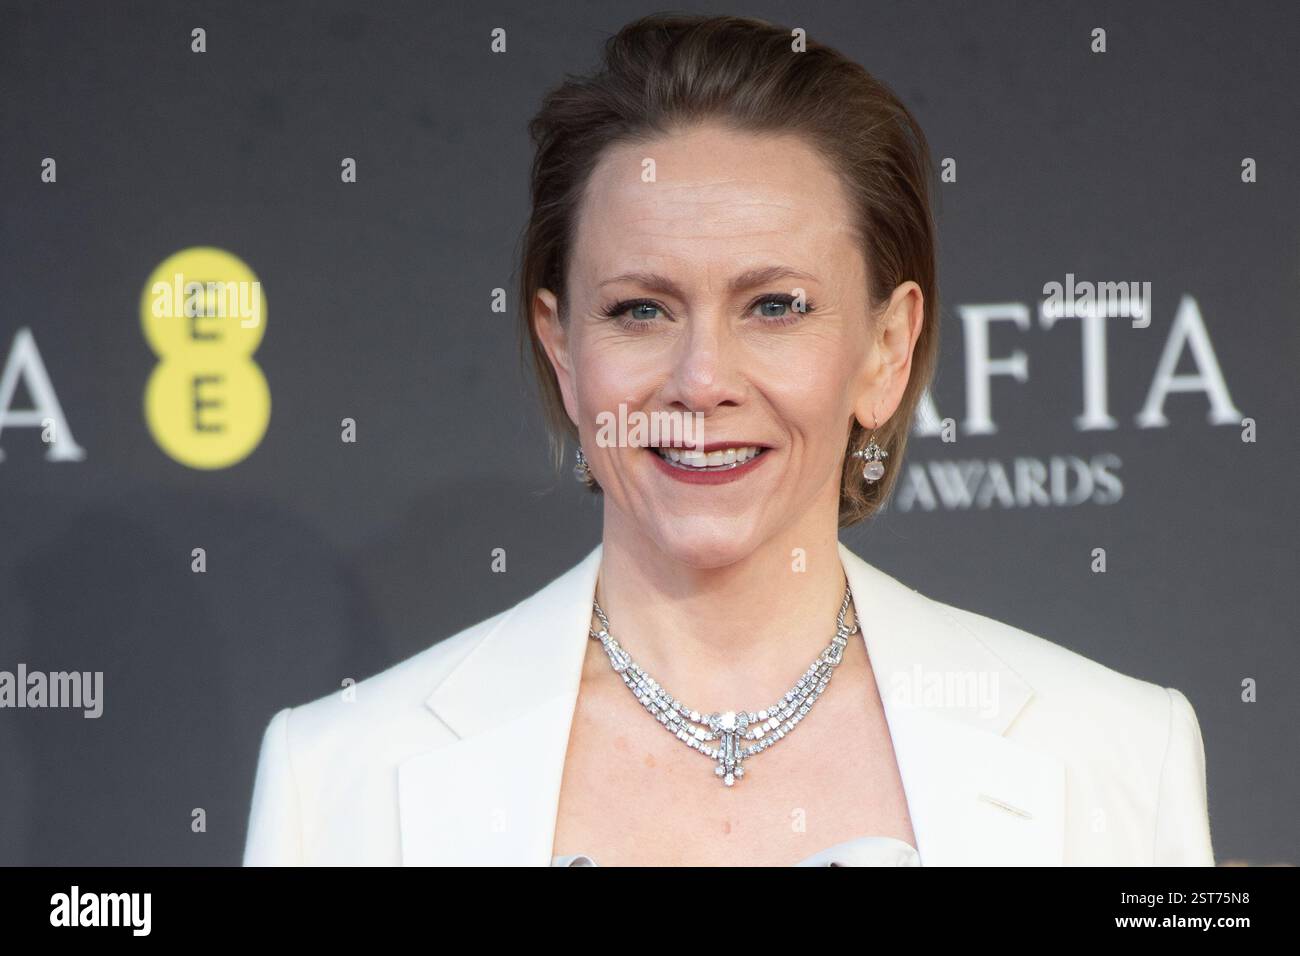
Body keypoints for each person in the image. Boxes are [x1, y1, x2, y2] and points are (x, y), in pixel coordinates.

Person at [243, 12, 1214, 866]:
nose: (701, 378)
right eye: (639, 310)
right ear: (562, 349)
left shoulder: (1114, 756)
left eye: (775, 305)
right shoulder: (339, 778)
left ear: (885, 348)